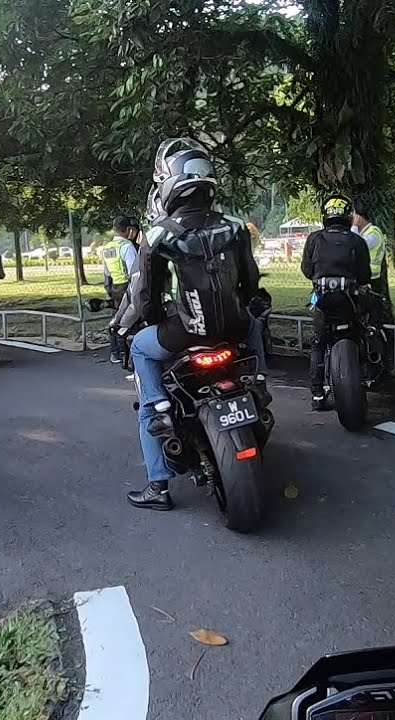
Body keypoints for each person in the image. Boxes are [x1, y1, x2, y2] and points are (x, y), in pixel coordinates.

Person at [125, 137, 261, 511]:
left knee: (140, 347)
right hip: (234, 327)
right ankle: (259, 383)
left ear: (168, 182)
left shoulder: (158, 233)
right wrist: (246, 304)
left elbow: (147, 298)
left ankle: (158, 430)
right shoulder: (234, 227)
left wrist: (147, 323)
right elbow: (251, 281)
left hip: (185, 332)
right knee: (253, 323)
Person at [300, 194, 371, 411]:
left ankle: (318, 395)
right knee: (362, 330)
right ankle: (365, 371)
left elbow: (306, 270)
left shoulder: (314, 239)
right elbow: (365, 275)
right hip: (350, 302)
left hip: (322, 302)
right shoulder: (357, 241)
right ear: (348, 216)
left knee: (319, 343)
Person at [102, 215, 141, 364]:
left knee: (116, 318)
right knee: (132, 320)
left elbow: (106, 272)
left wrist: (110, 290)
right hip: (127, 287)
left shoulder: (107, 248)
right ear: (128, 230)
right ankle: (130, 355)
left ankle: (115, 353)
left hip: (114, 288)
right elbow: (134, 271)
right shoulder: (126, 246)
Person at [351, 198, 394, 325]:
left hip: (372, 280)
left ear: (358, 217)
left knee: (372, 314)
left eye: (353, 215)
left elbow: (358, 246)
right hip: (361, 278)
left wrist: (354, 227)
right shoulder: (362, 233)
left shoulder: (374, 233)